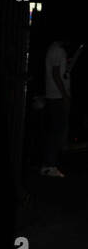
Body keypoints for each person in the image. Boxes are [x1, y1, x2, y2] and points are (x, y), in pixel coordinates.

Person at [40, 38, 82, 177]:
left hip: (56, 96)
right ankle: (49, 165)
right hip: (57, 96)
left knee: (56, 130)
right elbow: (56, 74)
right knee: (56, 131)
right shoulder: (57, 49)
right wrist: (64, 95)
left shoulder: (56, 49)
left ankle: (51, 163)